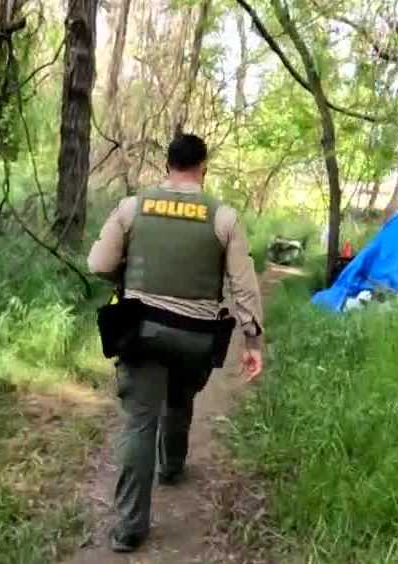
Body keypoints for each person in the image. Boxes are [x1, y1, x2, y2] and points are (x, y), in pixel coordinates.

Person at [88, 133, 264, 554]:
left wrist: (124, 278)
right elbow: (244, 286)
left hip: (141, 333)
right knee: (181, 397)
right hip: (195, 338)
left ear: (167, 165)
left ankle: (130, 527)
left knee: (138, 423)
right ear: (203, 166)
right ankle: (171, 466)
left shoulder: (134, 207)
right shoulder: (223, 217)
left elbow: (98, 263)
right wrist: (252, 340)